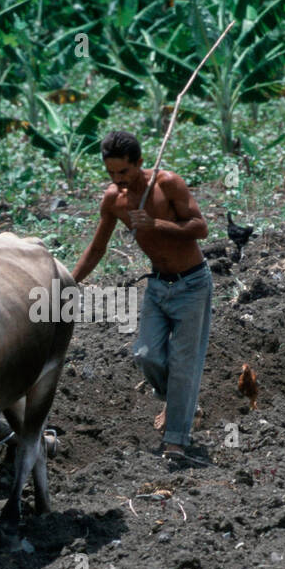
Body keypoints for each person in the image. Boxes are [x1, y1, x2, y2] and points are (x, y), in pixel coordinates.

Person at [71, 131, 211, 466]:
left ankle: (176, 442)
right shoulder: (114, 200)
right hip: (158, 286)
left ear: (140, 164)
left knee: (183, 365)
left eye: (124, 172)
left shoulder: (168, 184)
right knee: (146, 355)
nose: (118, 181)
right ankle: (179, 400)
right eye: (111, 174)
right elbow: (97, 248)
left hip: (192, 285)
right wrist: (69, 282)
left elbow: (200, 227)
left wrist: (156, 223)